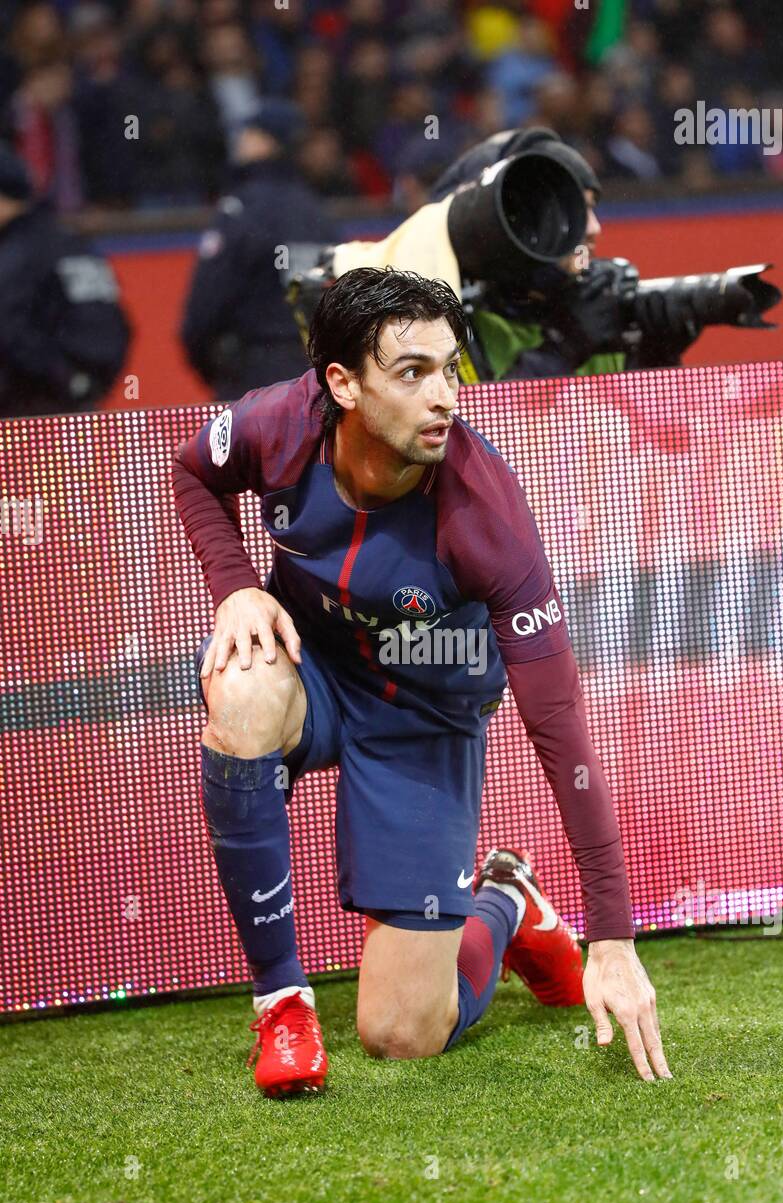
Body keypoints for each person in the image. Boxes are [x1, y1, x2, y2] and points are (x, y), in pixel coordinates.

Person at [173, 266, 670, 1096]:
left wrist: (612, 935)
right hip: (316, 670)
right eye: (414, 373)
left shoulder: (486, 515)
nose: (446, 397)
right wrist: (236, 588)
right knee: (241, 685)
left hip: (425, 716)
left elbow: (562, 725)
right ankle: (283, 1003)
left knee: (402, 1033)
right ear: (343, 384)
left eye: (450, 368)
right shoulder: (279, 425)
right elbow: (195, 473)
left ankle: (506, 898)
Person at [179, 99, 336, 400]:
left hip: (252, 379)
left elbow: (203, 310)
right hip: (316, 380)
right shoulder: (318, 214)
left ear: (269, 142)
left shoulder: (241, 209)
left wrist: (218, 371)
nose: (240, 141)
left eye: (249, 133)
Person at [0, 143, 129, 417]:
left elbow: (9, 330)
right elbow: (118, 325)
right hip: (78, 403)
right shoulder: (70, 242)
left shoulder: (17, 253)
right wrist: (78, 383)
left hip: (25, 406)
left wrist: (58, 375)